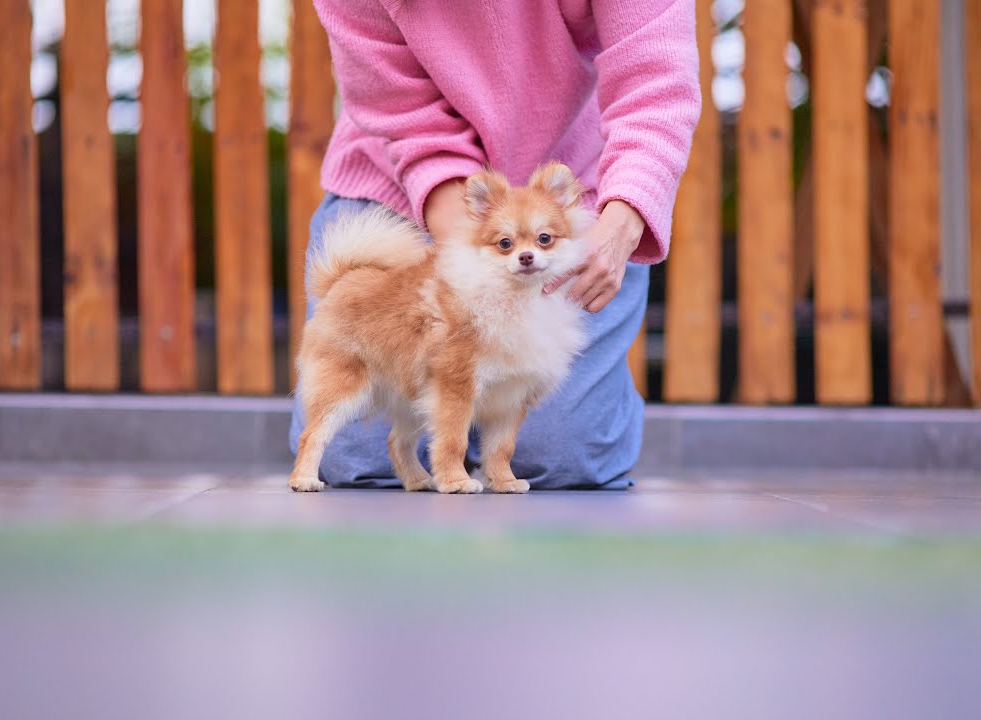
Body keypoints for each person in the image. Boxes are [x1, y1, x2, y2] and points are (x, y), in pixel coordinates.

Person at [289, 0, 702, 489]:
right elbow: (399, 108)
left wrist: (622, 220)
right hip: (397, 174)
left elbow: (655, 77)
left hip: (577, 189)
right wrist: (467, 250)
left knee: (562, 452)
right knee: (351, 457)